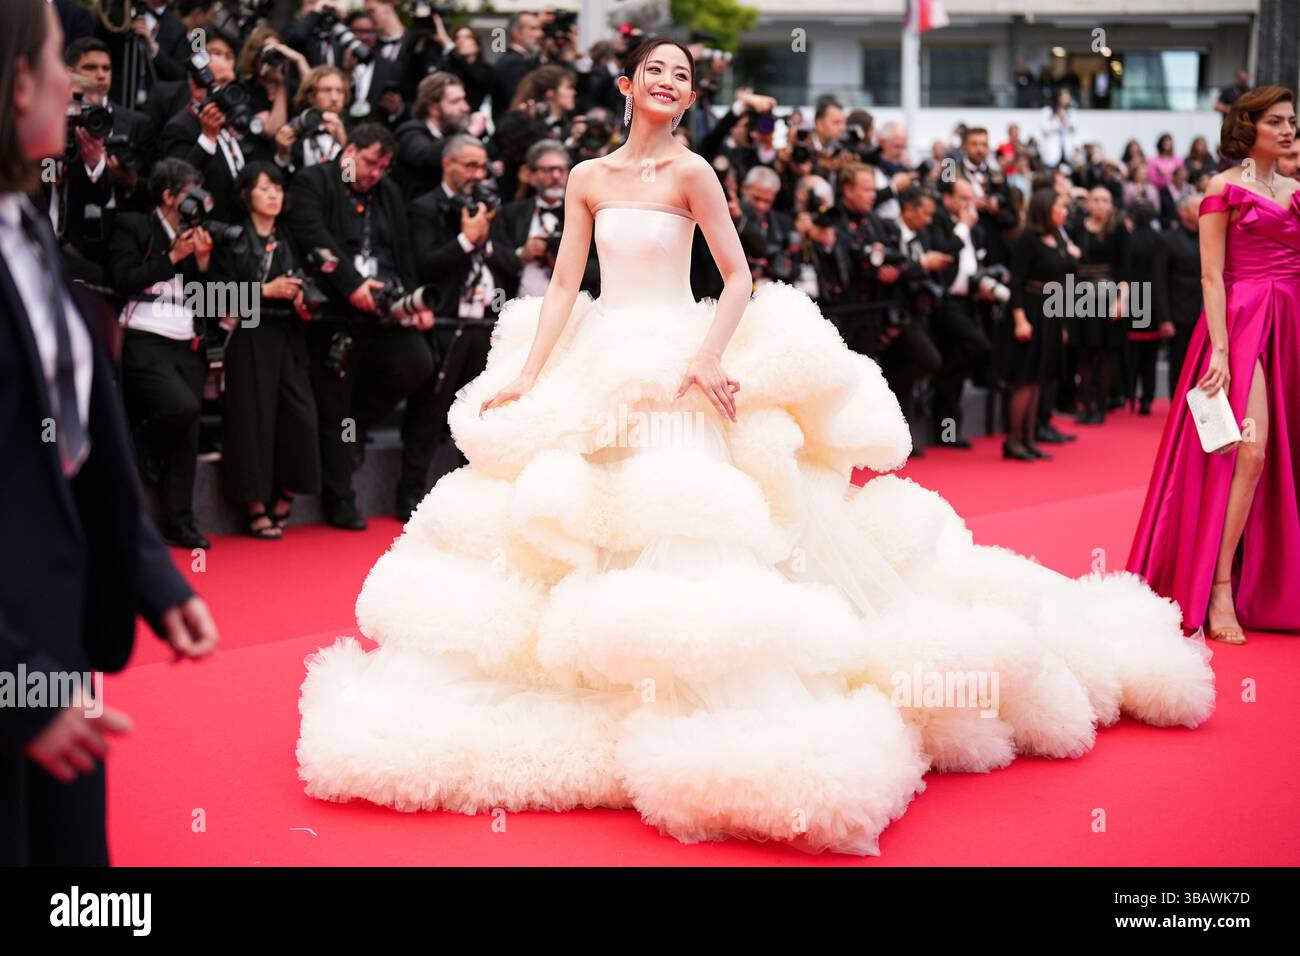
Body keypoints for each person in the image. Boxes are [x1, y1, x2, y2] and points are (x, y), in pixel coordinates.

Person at [295, 36, 1214, 858]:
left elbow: (736, 277)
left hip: (678, 359)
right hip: (598, 354)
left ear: (691, 97)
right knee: (571, 513)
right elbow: (567, 282)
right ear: (627, 84)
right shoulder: (587, 176)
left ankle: (686, 691)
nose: (667, 80)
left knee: (683, 521)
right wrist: (531, 373)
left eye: (682, 74)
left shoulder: (694, 172)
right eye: (654, 69)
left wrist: (706, 357)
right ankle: (590, 679)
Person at [2, 0, 218, 866]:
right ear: (20, 80)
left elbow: (75, 429)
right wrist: (19, 691)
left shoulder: (26, 224)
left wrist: (152, 577)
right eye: (61, 62)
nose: (76, 85)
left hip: (58, 650)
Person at [1129, 86, 1300, 642]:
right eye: (1277, 121)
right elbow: (1210, 274)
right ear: (1248, 127)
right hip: (1243, 323)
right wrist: (1221, 349)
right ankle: (1220, 583)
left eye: (1291, 121)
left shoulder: (1297, 192)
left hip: (1291, 322)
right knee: (1250, 448)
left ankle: (1265, 583)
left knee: (1283, 454)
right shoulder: (1221, 188)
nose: (1289, 130)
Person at [211, 161, 321, 538]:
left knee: (302, 415)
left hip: (287, 332)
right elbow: (209, 296)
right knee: (251, 418)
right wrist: (264, 291)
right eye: (264, 188)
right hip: (248, 332)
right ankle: (254, 505)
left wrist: (303, 300)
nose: (274, 195)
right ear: (246, 195)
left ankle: (286, 494)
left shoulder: (289, 237)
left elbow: (306, 283)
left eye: (278, 188)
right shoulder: (231, 237)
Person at [109, 158, 215, 549]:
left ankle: (180, 522)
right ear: (169, 196)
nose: (199, 202)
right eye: (191, 194)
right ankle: (141, 444)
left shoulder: (197, 233)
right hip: (143, 335)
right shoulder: (134, 225)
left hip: (186, 337)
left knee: (189, 431)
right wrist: (171, 257)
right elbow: (122, 280)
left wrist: (202, 263)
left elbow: (210, 297)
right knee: (181, 406)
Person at [1002, 188, 1078, 460]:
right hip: (1030, 311)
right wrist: (1020, 319)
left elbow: (1069, 274)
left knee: (1038, 378)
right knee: (1025, 378)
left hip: (1051, 312)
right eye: (1061, 207)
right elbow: (1016, 282)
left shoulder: (1058, 238)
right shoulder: (1028, 240)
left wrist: (1063, 324)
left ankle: (1030, 438)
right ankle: (1013, 440)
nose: (1065, 212)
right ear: (1045, 209)